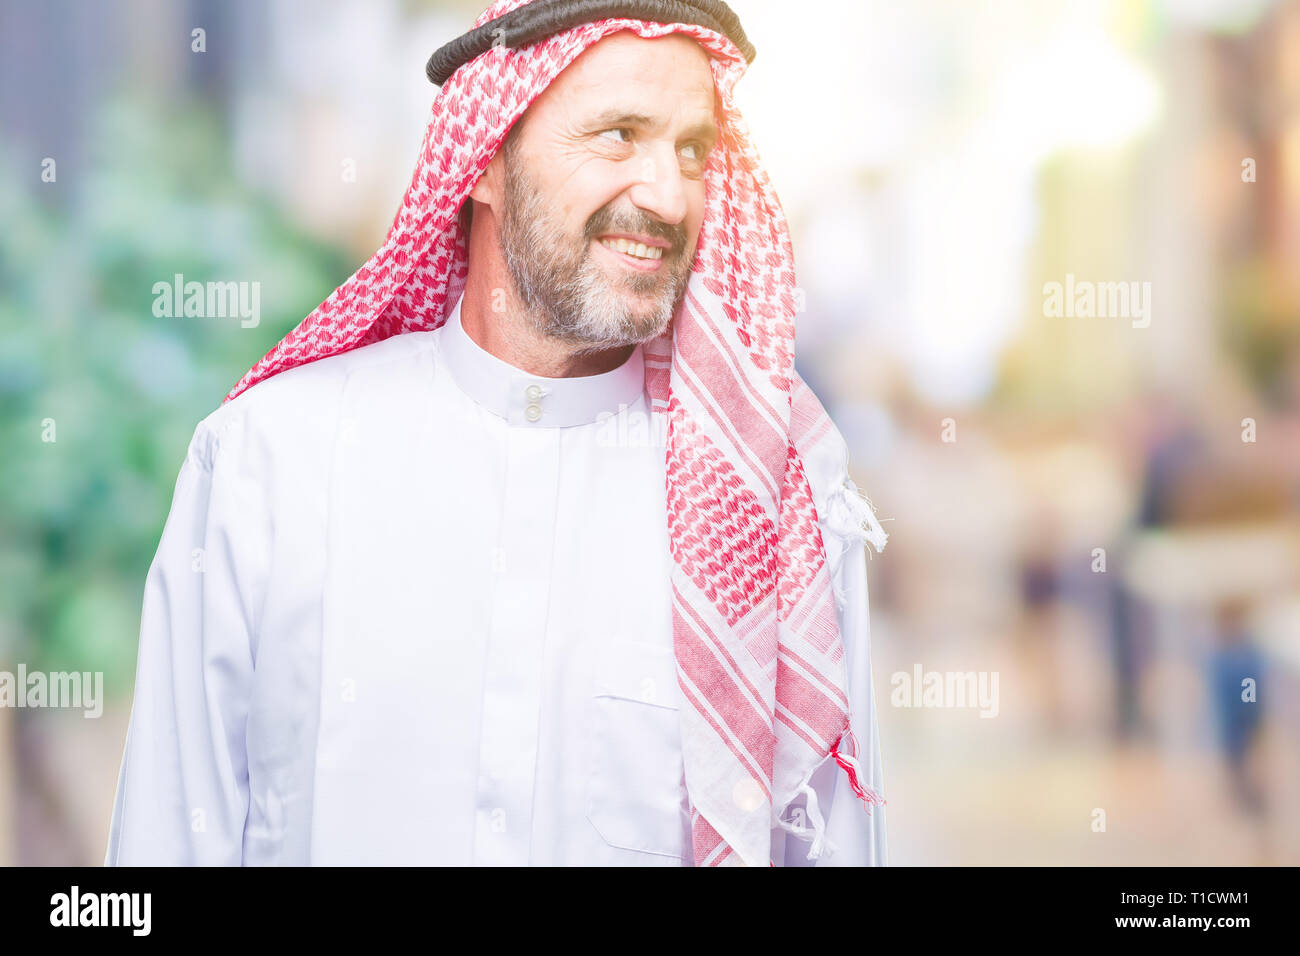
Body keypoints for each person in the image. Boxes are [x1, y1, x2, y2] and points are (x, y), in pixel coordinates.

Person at [104, 0, 890, 867]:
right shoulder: (268, 464)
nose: (668, 195)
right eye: (618, 135)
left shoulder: (775, 506)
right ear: (483, 159)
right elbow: (166, 842)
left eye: (693, 151)